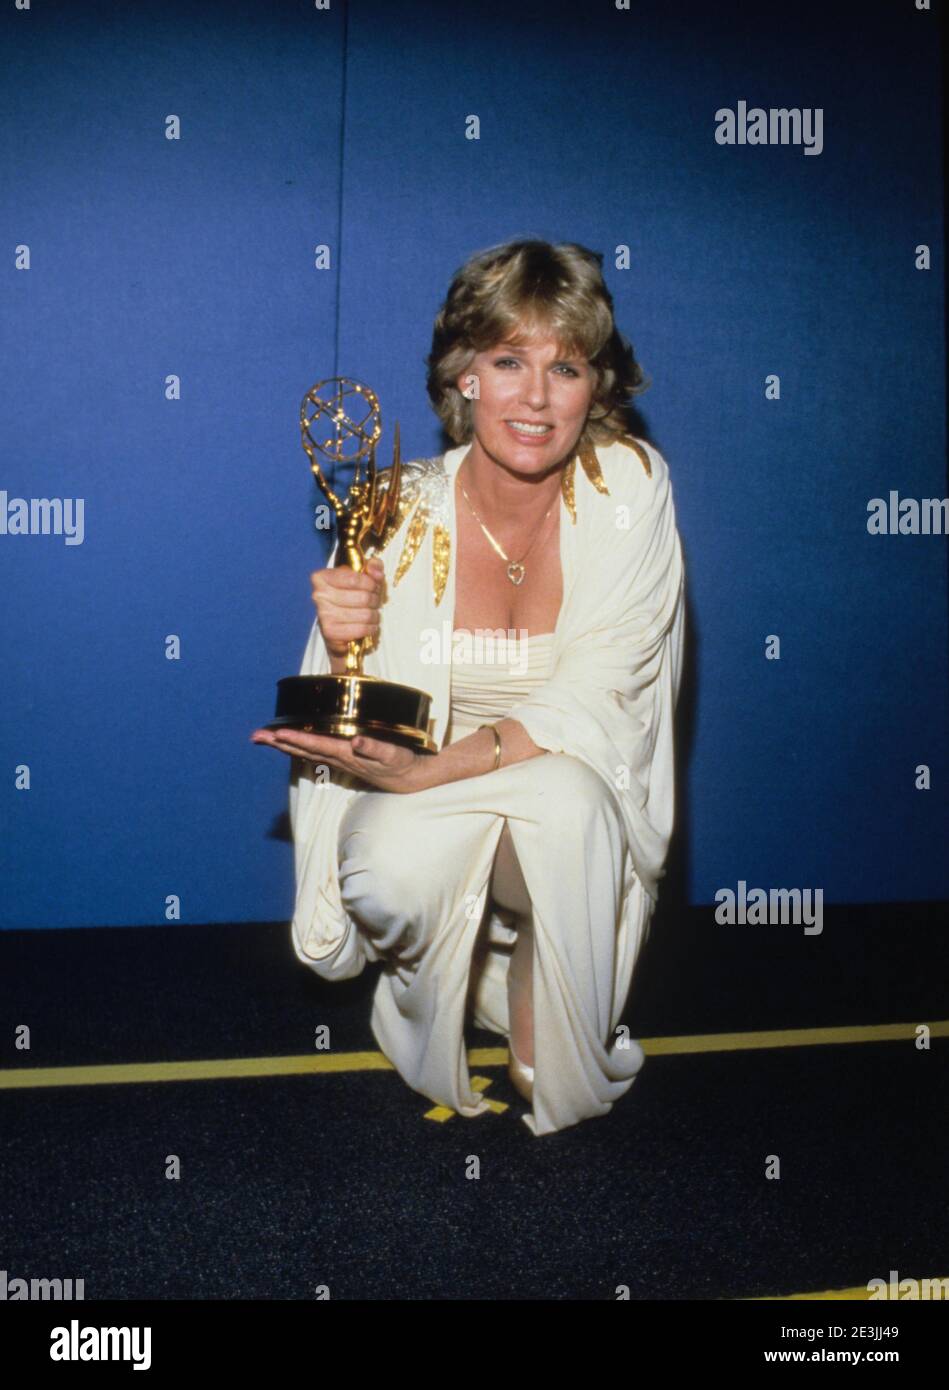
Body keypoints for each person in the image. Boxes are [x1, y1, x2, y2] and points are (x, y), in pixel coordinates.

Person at [251, 239, 686, 1136]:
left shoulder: (628, 488)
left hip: (560, 782)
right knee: (394, 870)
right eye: (506, 361)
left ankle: (539, 969)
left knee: (565, 801)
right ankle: (426, 989)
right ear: (463, 378)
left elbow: (601, 694)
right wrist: (345, 648)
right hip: (426, 790)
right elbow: (357, 712)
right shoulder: (396, 505)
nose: (534, 397)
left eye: (564, 366)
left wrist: (426, 776)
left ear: (594, 387)